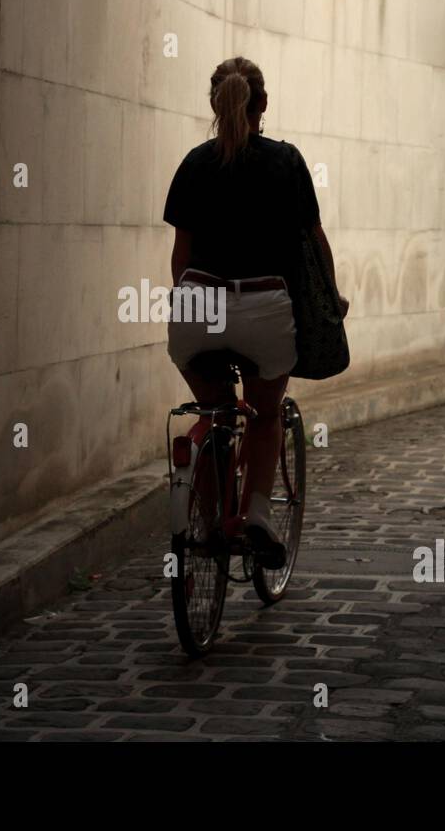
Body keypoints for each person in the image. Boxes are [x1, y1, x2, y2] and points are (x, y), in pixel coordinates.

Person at [163, 56, 348, 569]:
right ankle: (257, 517)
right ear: (261, 105)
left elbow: (181, 258)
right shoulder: (285, 161)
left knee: (212, 409)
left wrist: (185, 304)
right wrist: (333, 297)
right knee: (264, 415)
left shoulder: (194, 164)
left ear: (214, 103)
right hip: (265, 309)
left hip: (198, 307)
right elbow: (315, 241)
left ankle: (209, 511)